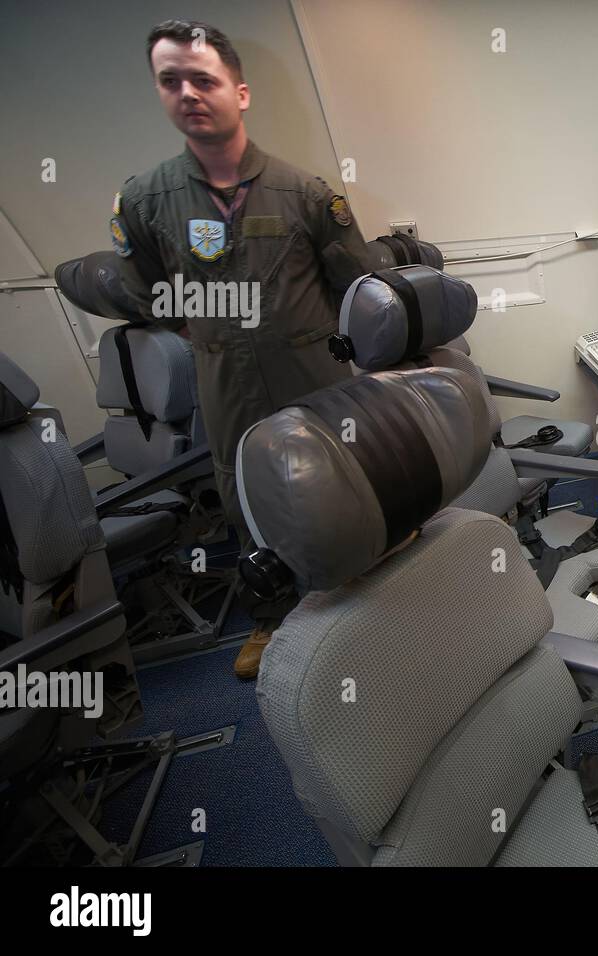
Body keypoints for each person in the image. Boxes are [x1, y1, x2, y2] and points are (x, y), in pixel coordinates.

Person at [110, 19, 373, 678]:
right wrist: (199, 333)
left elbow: (358, 285)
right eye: (170, 81)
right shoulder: (145, 200)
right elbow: (145, 288)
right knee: (245, 491)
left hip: (313, 371)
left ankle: (361, 596)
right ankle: (270, 617)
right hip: (226, 378)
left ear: (241, 92)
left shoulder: (306, 193)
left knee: (338, 476)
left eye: (203, 79)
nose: (188, 93)